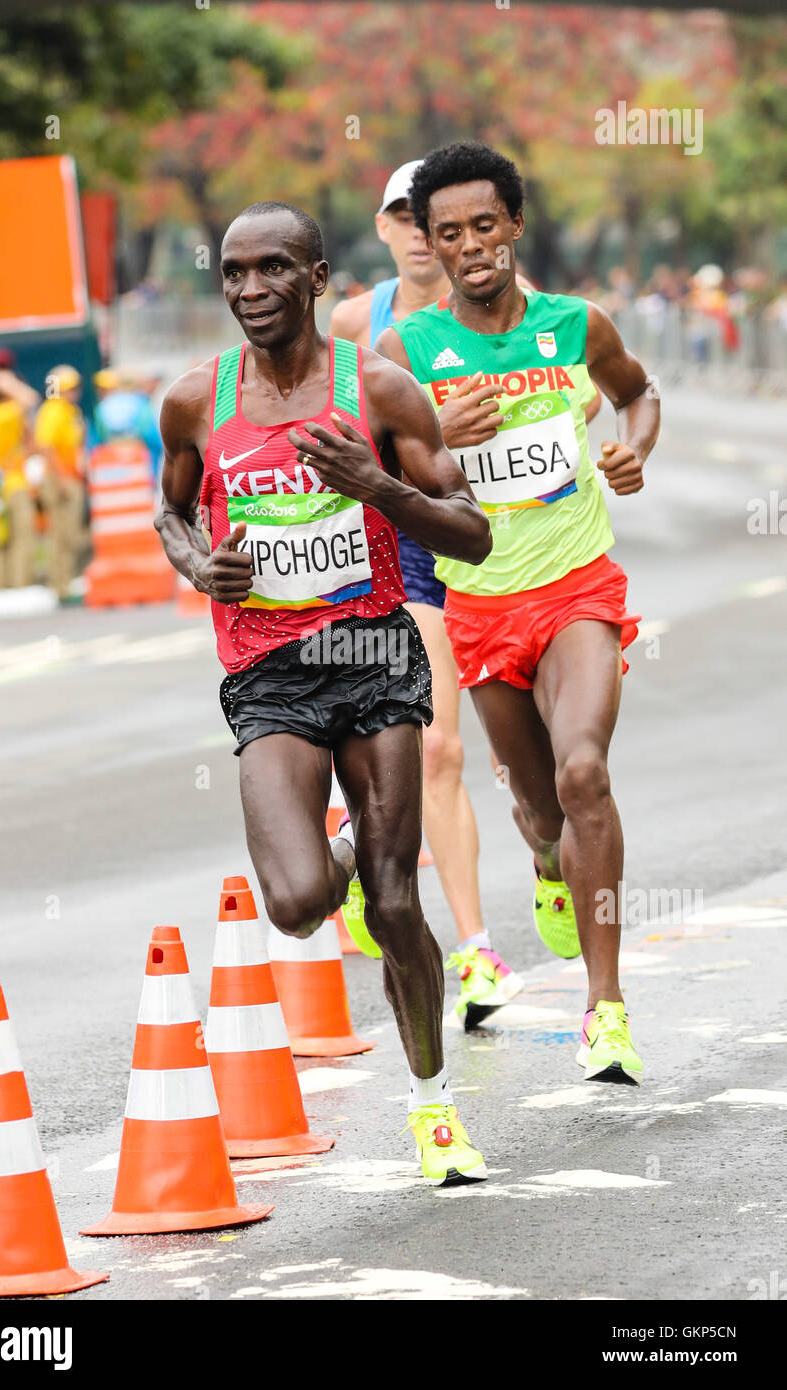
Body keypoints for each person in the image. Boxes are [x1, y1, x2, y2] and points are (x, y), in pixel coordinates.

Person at [155, 200, 493, 1183]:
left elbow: (470, 533)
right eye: (233, 273)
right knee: (301, 900)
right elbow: (170, 511)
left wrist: (378, 486)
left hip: (376, 655)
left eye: (272, 270)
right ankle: (348, 839)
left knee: (391, 903)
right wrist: (195, 565)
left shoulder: (378, 391)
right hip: (266, 673)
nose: (250, 291)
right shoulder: (194, 401)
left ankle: (432, 1106)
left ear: (315, 276)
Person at [377, 142, 661, 1085]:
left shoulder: (578, 325)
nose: (471, 246)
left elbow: (638, 393)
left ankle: (606, 1008)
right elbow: (375, 469)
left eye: (486, 226)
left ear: (516, 227)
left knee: (585, 773)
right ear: (429, 245)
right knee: (543, 810)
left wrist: (632, 450)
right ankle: (547, 863)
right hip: (482, 602)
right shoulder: (406, 353)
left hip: (578, 582)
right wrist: (437, 442)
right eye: (449, 232)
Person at [330, 160, 523, 1027]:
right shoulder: (352, 322)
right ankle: (477, 949)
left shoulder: (507, 299)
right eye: (401, 218)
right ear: (383, 229)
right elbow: (344, 437)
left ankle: (549, 858)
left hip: (502, 548)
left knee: (524, 763)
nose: (419, 233)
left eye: (432, 220)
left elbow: (567, 403)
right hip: (406, 554)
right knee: (437, 750)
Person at [0, 351, 39, 590]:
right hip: (5, 483)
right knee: (9, 538)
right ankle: (7, 586)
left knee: (10, 537)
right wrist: (7, 382)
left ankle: (10, 586)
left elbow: (30, 403)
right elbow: (31, 399)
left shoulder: (1, 410)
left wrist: (5, 382)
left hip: (7, 481)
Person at [35, 365, 87, 599]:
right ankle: (59, 585)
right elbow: (46, 446)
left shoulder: (70, 411)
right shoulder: (54, 410)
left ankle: (65, 582)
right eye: (70, 387)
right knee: (59, 534)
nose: (75, 391)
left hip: (71, 478)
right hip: (60, 480)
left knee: (70, 534)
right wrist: (59, 480)